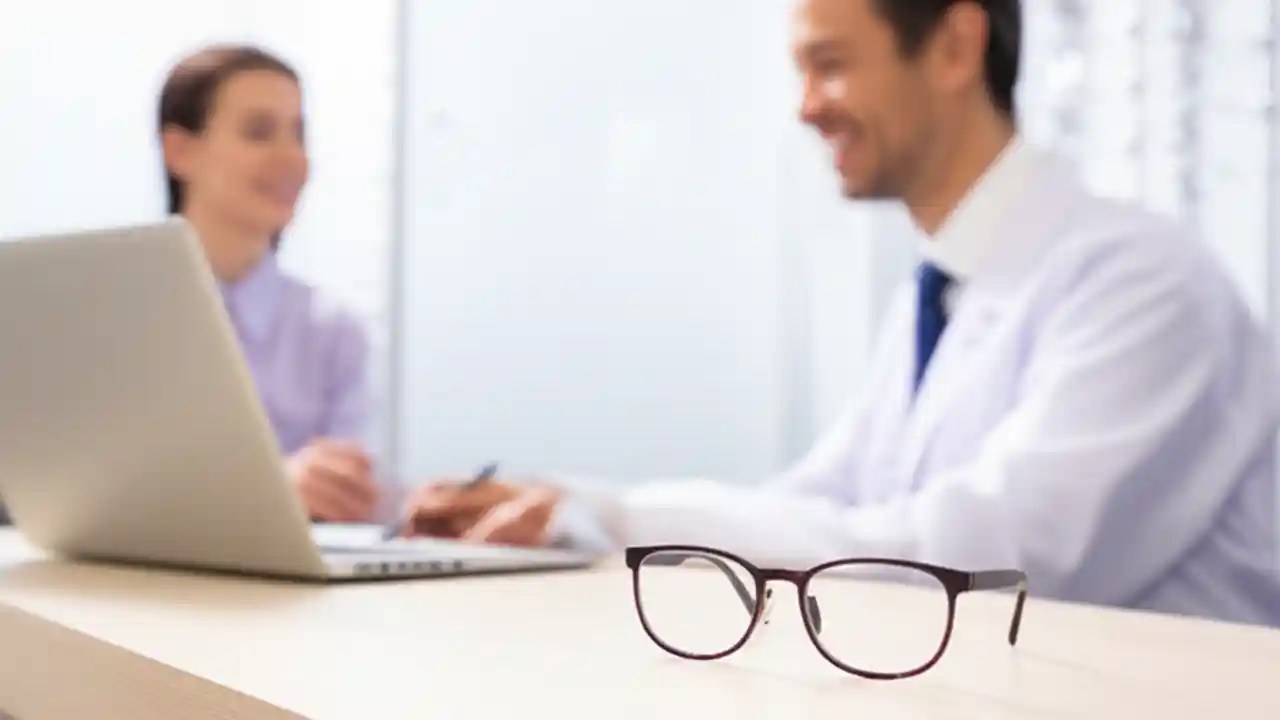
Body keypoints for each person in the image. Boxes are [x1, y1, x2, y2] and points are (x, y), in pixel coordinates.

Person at [402, 0, 1280, 626]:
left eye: (830, 63)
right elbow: (823, 503)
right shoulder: (943, 290)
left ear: (953, 46)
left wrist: (616, 515)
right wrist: (575, 506)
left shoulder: (1144, 284)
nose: (805, 105)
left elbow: (986, 555)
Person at [159, 46, 380, 523]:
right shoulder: (117, 313)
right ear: (180, 150)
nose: (291, 158)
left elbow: (354, 499)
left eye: (298, 133)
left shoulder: (333, 330)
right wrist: (271, 487)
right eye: (259, 132)